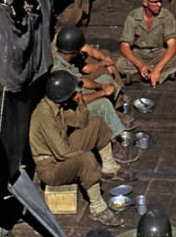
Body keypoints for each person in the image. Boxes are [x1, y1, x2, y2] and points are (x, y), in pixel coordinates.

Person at [29, 71, 126, 226]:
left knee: (97, 123)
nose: (76, 92)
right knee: (87, 159)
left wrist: (81, 103)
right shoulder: (44, 115)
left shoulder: (57, 106)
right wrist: (89, 160)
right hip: (50, 168)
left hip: (62, 151)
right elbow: (62, 152)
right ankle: (97, 208)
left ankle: (110, 167)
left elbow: (81, 122)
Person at [53, 25, 137, 161]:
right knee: (103, 104)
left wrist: (101, 85)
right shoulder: (61, 72)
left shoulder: (63, 60)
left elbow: (81, 79)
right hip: (71, 111)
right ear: (74, 51)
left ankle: (113, 117)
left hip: (77, 96)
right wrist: (102, 92)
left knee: (106, 80)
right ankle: (113, 144)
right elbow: (79, 100)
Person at [117, 0, 176, 87]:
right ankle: (163, 74)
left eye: (160, 1)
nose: (159, 4)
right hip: (139, 53)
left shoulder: (167, 16)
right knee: (119, 63)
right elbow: (124, 46)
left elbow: (172, 45)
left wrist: (158, 68)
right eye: (155, 2)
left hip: (158, 53)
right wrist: (139, 65)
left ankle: (143, 76)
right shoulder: (133, 17)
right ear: (145, 2)